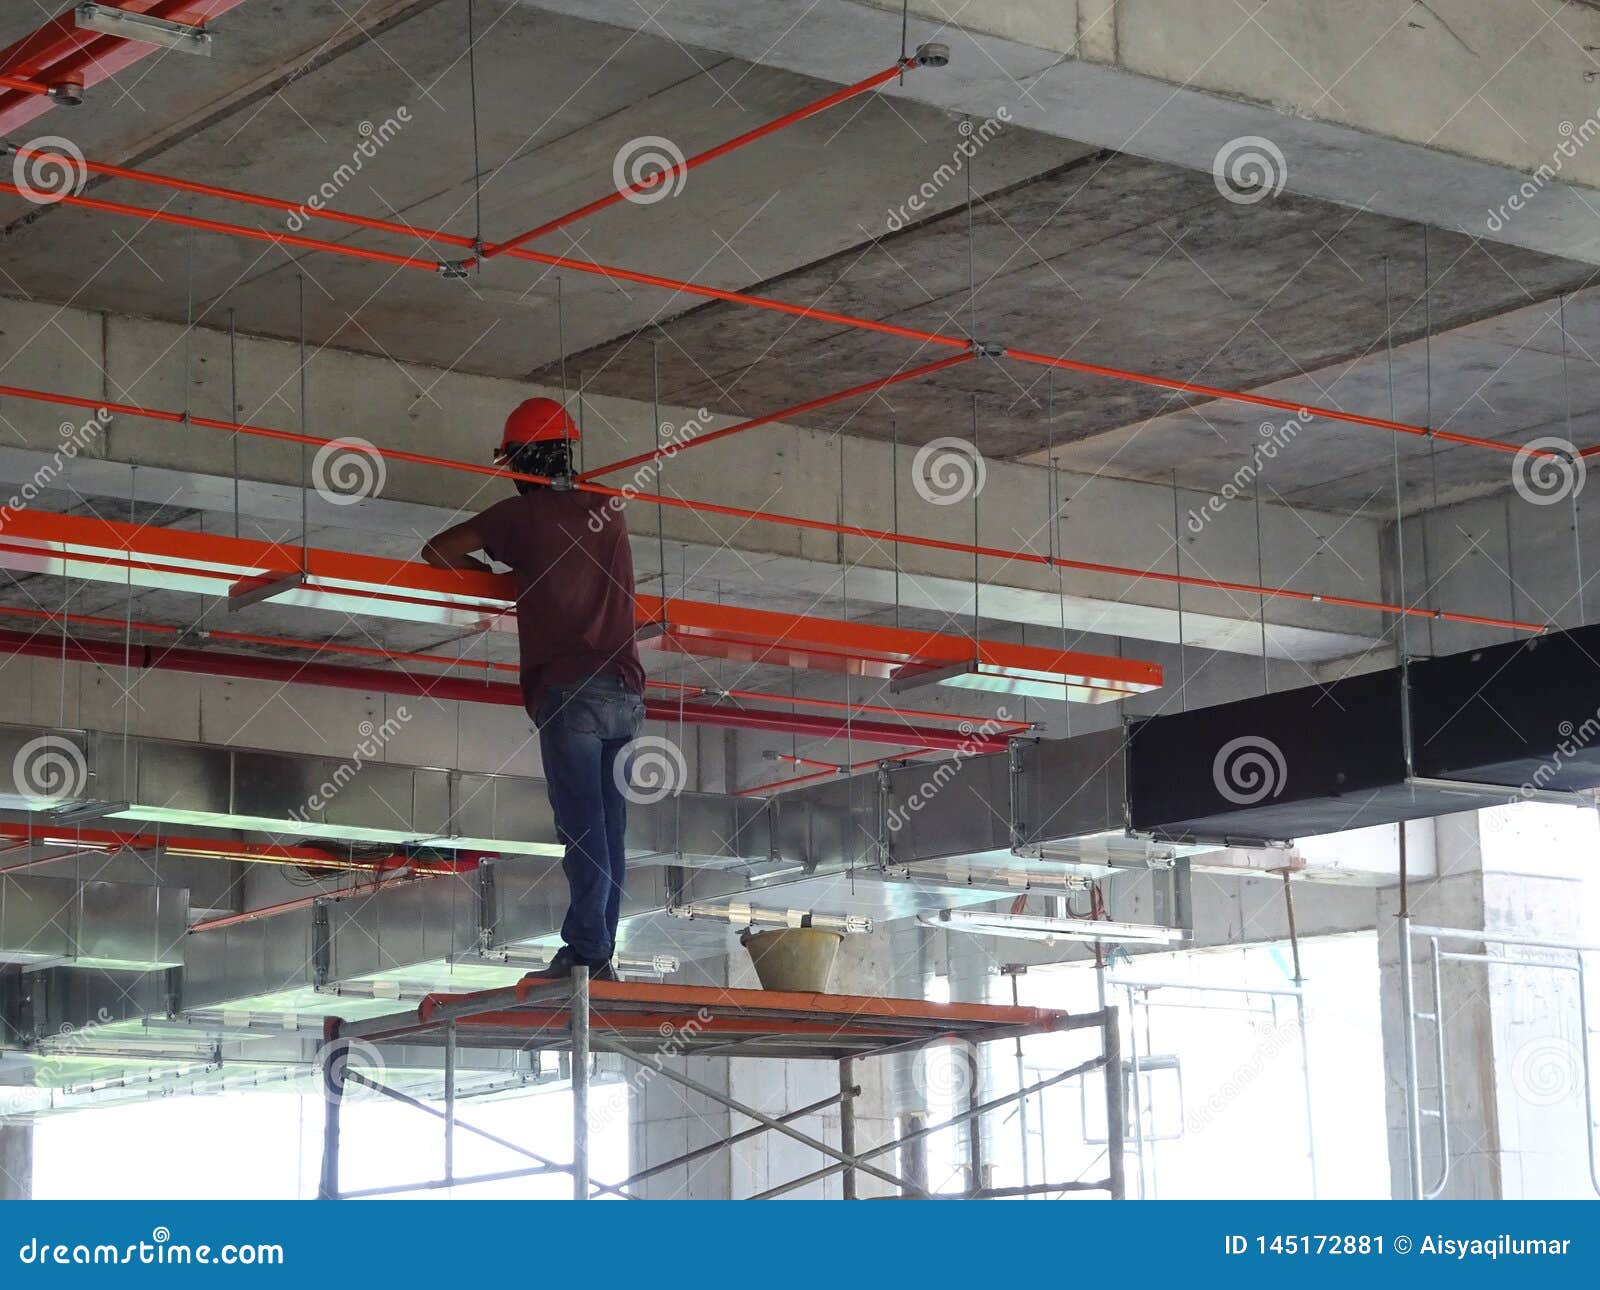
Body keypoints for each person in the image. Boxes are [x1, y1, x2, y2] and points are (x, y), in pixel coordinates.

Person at [422, 397, 645, 980]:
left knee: (583, 829)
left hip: (570, 693)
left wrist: (504, 578)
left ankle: (587, 954)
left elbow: (436, 551)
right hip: (624, 692)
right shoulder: (608, 508)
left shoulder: (518, 518)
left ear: (521, 463)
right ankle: (598, 953)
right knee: (609, 829)